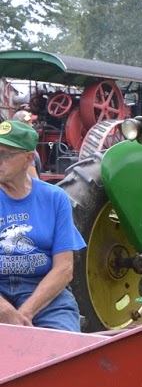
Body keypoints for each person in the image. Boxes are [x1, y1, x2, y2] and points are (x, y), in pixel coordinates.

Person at [0, 119, 85, 331]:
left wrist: (25, 313)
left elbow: (64, 269)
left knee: (64, 349)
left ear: (29, 158)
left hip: (44, 293)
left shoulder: (55, 198)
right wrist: (4, 309)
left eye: (5, 155)